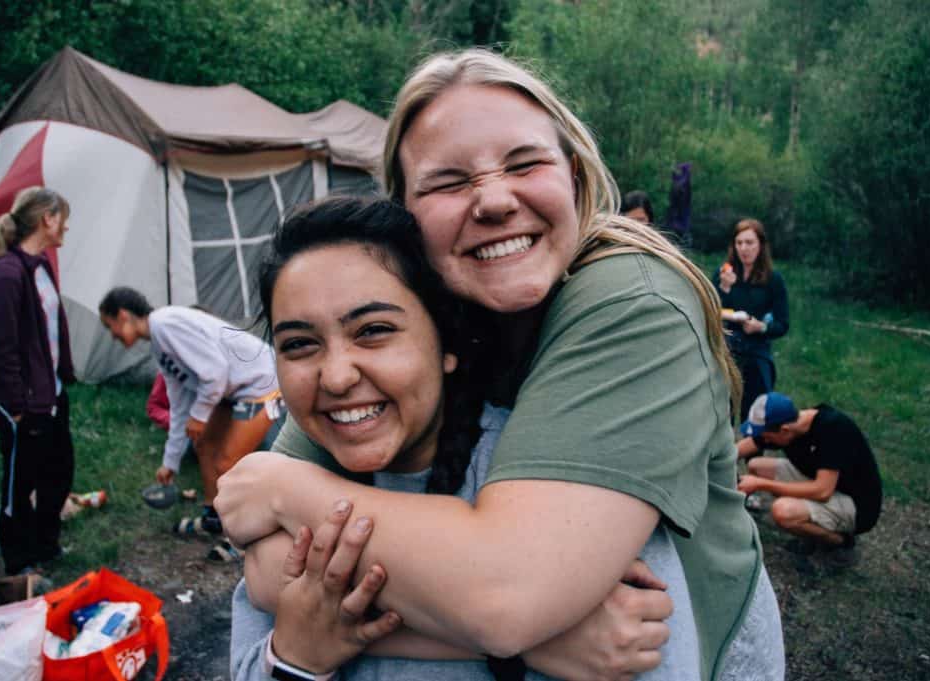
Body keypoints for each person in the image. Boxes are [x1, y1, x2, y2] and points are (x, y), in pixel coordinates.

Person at [218, 48, 784, 681]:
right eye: (448, 181)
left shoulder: (634, 302)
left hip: (700, 645)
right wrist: (497, 644)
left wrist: (286, 488)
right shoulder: (423, 306)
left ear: (573, 175)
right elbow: (266, 569)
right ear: (404, 214)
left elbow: (511, 595)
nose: (491, 200)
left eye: (525, 163)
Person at [231, 197, 692, 681]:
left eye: (374, 331)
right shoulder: (287, 494)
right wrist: (294, 660)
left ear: (447, 342)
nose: (337, 377)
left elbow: (653, 653)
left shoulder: (563, 500)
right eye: (300, 344)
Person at [98, 288, 279, 557]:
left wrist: (200, 415)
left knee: (228, 463)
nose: (111, 335)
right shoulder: (159, 342)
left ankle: (244, 537)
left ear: (123, 315)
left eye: (109, 326)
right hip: (232, 388)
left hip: (260, 384)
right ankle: (213, 518)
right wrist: (170, 462)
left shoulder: (166, 324)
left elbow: (215, 372)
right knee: (204, 444)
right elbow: (180, 403)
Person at [0, 186, 75, 576]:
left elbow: (48, 329)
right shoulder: (6, 272)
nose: (66, 226)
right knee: (21, 481)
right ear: (46, 219)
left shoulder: (41, 265)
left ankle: (45, 544)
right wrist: (16, 406)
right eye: (62, 217)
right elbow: (3, 347)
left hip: (50, 392)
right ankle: (18, 558)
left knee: (58, 470)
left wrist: (60, 378)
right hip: (21, 400)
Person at [736, 392, 883, 562]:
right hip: (827, 483)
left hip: (856, 504)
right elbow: (745, 447)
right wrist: (712, 461)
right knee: (756, 465)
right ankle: (807, 516)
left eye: (765, 437)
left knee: (782, 511)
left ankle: (840, 541)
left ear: (784, 431)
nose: (763, 440)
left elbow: (822, 491)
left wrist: (761, 484)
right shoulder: (787, 424)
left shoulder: (833, 429)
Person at [713, 218, 789, 422]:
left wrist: (761, 327)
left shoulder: (773, 279)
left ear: (761, 245)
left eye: (749, 243)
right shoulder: (724, 274)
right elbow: (711, 311)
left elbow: (782, 324)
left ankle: (752, 450)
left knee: (755, 411)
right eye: (739, 243)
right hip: (728, 347)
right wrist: (725, 289)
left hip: (756, 349)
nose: (744, 249)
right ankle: (723, 450)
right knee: (721, 411)